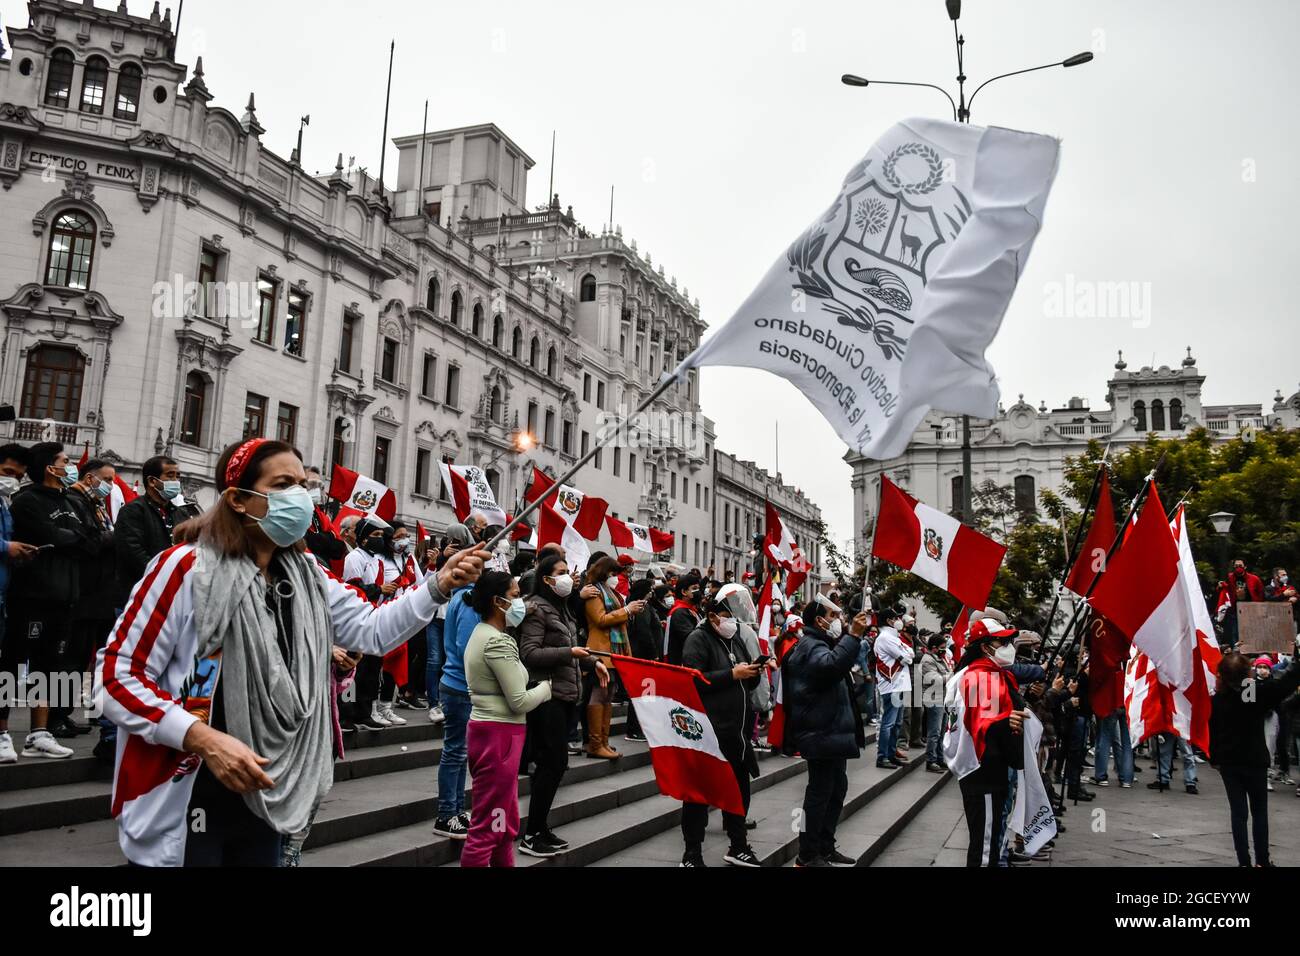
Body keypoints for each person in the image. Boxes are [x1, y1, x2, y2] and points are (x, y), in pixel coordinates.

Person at [96, 438, 488, 866]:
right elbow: (117, 675)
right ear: (240, 500)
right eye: (284, 484)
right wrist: (200, 737)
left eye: (303, 484)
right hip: (189, 784)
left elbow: (372, 629)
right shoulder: (185, 568)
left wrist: (437, 585)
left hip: (269, 790)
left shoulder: (309, 577)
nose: (301, 496)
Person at [517, 552, 608, 856]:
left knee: (557, 764)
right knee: (551, 763)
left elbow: (574, 649)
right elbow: (529, 654)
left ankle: (541, 827)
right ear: (546, 579)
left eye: (568, 571)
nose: (568, 577)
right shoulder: (536, 609)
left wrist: (593, 661)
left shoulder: (563, 609)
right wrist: (570, 652)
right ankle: (531, 835)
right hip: (547, 696)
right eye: (561, 571)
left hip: (568, 693)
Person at [460, 571, 551, 867]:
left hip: (495, 735)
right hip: (500, 738)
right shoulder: (497, 642)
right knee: (489, 825)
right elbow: (519, 700)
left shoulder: (483, 634)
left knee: (503, 822)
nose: (520, 602)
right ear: (497, 602)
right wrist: (546, 689)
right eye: (514, 596)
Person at [6, 443, 92, 754]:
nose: (69, 467)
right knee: (14, 664)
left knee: (50, 666)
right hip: (33, 595)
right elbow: (53, 536)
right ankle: (3, 735)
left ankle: (39, 733)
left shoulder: (71, 501)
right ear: (48, 467)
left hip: (66, 595)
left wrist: (71, 539)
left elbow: (89, 540)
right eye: (64, 461)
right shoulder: (26, 500)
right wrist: (69, 539)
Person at [781, 597, 869, 867]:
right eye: (833, 615)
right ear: (819, 620)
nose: (838, 621)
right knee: (819, 793)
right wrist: (853, 635)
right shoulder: (810, 645)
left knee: (836, 788)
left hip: (831, 731)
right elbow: (830, 667)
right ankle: (807, 854)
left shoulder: (822, 643)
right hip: (819, 731)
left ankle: (825, 846)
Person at [679, 594, 762, 868]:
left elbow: (745, 673)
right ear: (713, 616)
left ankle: (738, 846)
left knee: (739, 791)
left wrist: (754, 670)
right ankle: (692, 854)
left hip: (736, 732)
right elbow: (693, 679)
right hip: (708, 731)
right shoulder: (697, 639)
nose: (732, 623)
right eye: (728, 617)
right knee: (698, 796)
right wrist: (731, 675)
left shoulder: (734, 638)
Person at [944, 617, 1027, 868]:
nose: (1008, 646)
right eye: (1002, 641)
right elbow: (981, 723)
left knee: (986, 841)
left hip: (984, 770)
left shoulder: (983, 673)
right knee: (984, 845)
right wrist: (1007, 721)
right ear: (985, 647)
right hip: (983, 771)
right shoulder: (981, 676)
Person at [1210, 650, 1300, 866]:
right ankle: (1262, 861)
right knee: (1259, 811)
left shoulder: (1218, 699)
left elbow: (1212, 730)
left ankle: (1244, 861)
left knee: (1238, 813)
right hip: (1254, 760)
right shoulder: (1252, 694)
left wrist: (1214, 757)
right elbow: (1283, 685)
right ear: (1246, 674)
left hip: (1230, 762)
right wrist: (1297, 663)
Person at [65, 458, 118, 756]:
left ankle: (96, 708)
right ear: (90, 478)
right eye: (107, 479)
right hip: (83, 591)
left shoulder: (97, 506)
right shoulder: (75, 501)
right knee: (70, 656)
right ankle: (58, 715)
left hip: (102, 593)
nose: (110, 485)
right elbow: (88, 541)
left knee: (100, 656)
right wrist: (115, 537)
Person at [114, 455, 200, 610]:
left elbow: (193, 548)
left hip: (174, 597)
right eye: (170, 475)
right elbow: (133, 552)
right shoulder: (133, 511)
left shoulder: (181, 513)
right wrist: (164, 576)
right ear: (152, 481)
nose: (176, 481)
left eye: (178, 476)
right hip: (140, 596)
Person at [582, 554, 645, 759]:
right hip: (600, 650)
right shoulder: (593, 592)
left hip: (615, 652)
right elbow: (600, 619)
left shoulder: (612, 592)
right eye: (614, 573)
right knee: (599, 694)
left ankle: (604, 741)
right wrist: (627, 610)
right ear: (605, 573)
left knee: (608, 695)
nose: (616, 578)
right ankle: (595, 743)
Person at [0, 444, 38, 764]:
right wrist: (6, 547)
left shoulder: (6, 503)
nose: (12, 480)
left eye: (18, 476)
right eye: (7, 473)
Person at [623, 576, 664, 742]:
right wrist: (653, 654)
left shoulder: (645, 607)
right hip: (644, 657)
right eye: (651, 589)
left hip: (644, 656)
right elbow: (644, 632)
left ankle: (640, 727)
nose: (653, 591)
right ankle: (634, 729)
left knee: (645, 694)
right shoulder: (641, 608)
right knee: (641, 694)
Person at [873, 604, 914, 769]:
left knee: (897, 723)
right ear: (889, 620)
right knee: (888, 723)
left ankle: (890, 754)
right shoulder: (884, 638)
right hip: (891, 684)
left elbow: (909, 653)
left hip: (899, 684)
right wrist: (905, 655)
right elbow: (906, 657)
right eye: (896, 618)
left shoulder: (893, 637)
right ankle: (882, 756)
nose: (899, 621)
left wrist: (906, 654)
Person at [920, 632, 951, 773]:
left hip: (943, 698)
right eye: (942, 647)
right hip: (933, 699)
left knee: (942, 732)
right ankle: (930, 761)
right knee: (934, 732)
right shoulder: (927, 660)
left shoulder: (939, 658)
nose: (944, 650)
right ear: (934, 647)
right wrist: (950, 676)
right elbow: (935, 680)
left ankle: (939, 758)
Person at [664, 572, 702, 665]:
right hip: (680, 662)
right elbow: (691, 639)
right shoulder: (679, 612)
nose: (698, 592)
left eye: (698, 588)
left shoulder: (690, 609)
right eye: (694, 589)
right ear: (684, 592)